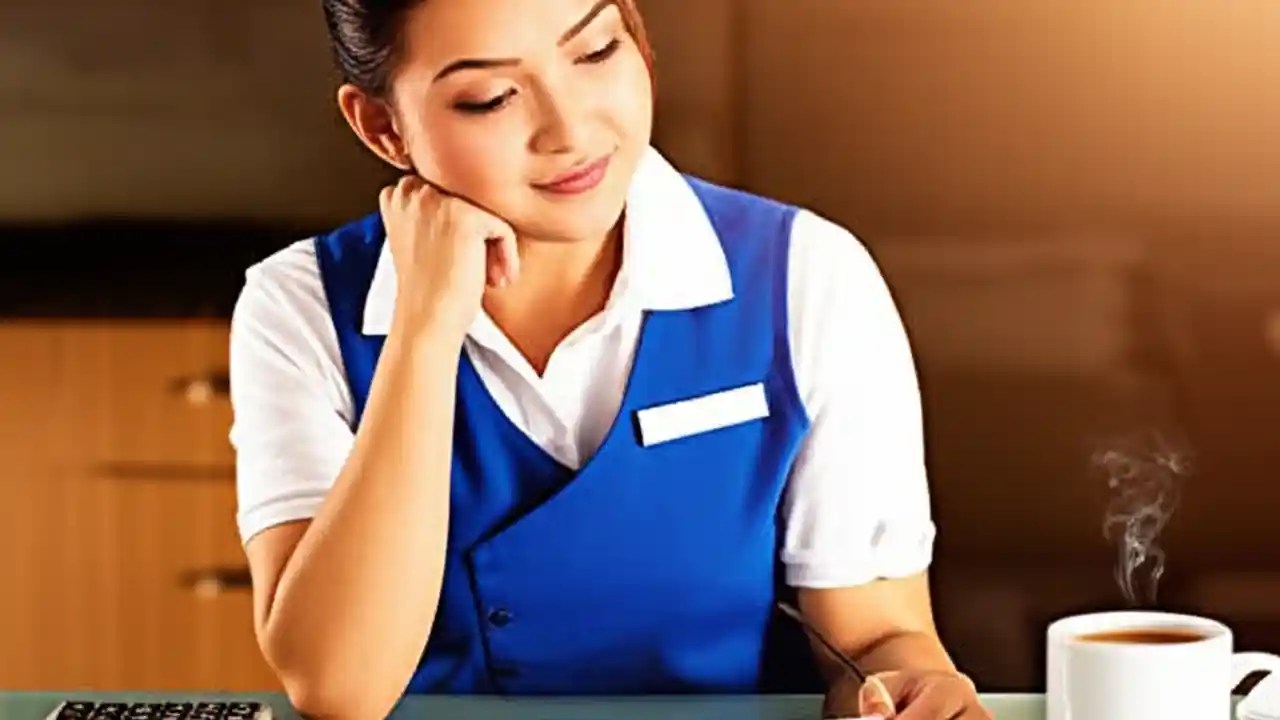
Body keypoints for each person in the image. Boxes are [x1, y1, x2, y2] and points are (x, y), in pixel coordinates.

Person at [228, 0, 991, 718]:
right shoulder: (302, 308)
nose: (570, 130)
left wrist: (914, 688)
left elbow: (874, 639)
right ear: (383, 129)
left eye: (595, 51)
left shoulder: (806, 276)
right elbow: (338, 687)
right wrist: (424, 329)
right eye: (491, 98)